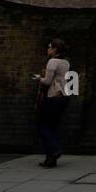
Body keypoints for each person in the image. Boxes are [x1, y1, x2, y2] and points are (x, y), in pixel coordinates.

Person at [32, 38, 70, 168]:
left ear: (55, 49)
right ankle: (50, 159)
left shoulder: (52, 61)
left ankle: (55, 149)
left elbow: (47, 81)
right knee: (52, 127)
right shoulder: (65, 62)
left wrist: (38, 78)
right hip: (63, 97)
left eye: (49, 47)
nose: (48, 49)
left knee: (42, 125)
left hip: (52, 97)